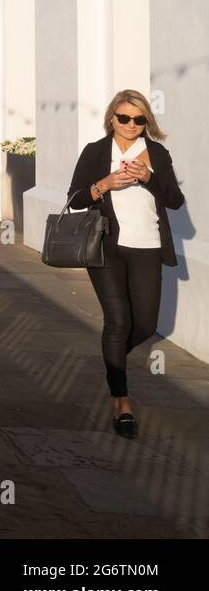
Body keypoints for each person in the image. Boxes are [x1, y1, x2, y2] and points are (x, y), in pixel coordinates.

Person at [67, 89, 184, 440]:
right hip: (107, 249)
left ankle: (112, 359)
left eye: (139, 119)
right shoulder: (96, 152)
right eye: (124, 118)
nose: (131, 125)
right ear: (111, 119)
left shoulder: (157, 153)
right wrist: (103, 185)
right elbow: (73, 199)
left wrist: (149, 178)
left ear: (146, 122)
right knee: (117, 321)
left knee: (145, 325)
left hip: (148, 247)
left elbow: (176, 201)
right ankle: (122, 402)